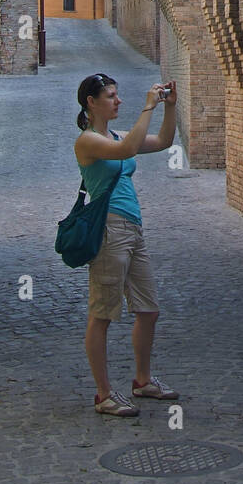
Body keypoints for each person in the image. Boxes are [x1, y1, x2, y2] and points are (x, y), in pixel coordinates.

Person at [74, 71, 180, 416]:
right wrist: (147, 107)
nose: (118, 100)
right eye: (110, 96)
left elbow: (163, 142)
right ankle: (103, 394)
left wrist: (170, 108)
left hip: (133, 228)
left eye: (118, 95)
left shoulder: (118, 133)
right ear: (91, 103)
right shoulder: (88, 141)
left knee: (149, 309)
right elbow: (125, 150)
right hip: (109, 230)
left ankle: (142, 380)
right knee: (102, 313)